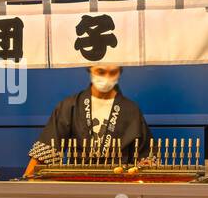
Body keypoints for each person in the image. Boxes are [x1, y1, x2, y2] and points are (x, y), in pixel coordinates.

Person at [24, 64, 154, 177]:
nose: (106, 77)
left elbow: (145, 156)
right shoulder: (70, 105)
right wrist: (26, 180)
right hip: (78, 180)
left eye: (112, 72)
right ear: (90, 68)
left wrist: (147, 165)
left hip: (119, 181)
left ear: (119, 72)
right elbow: (46, 150)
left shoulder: (131, 110)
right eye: (101, 72)